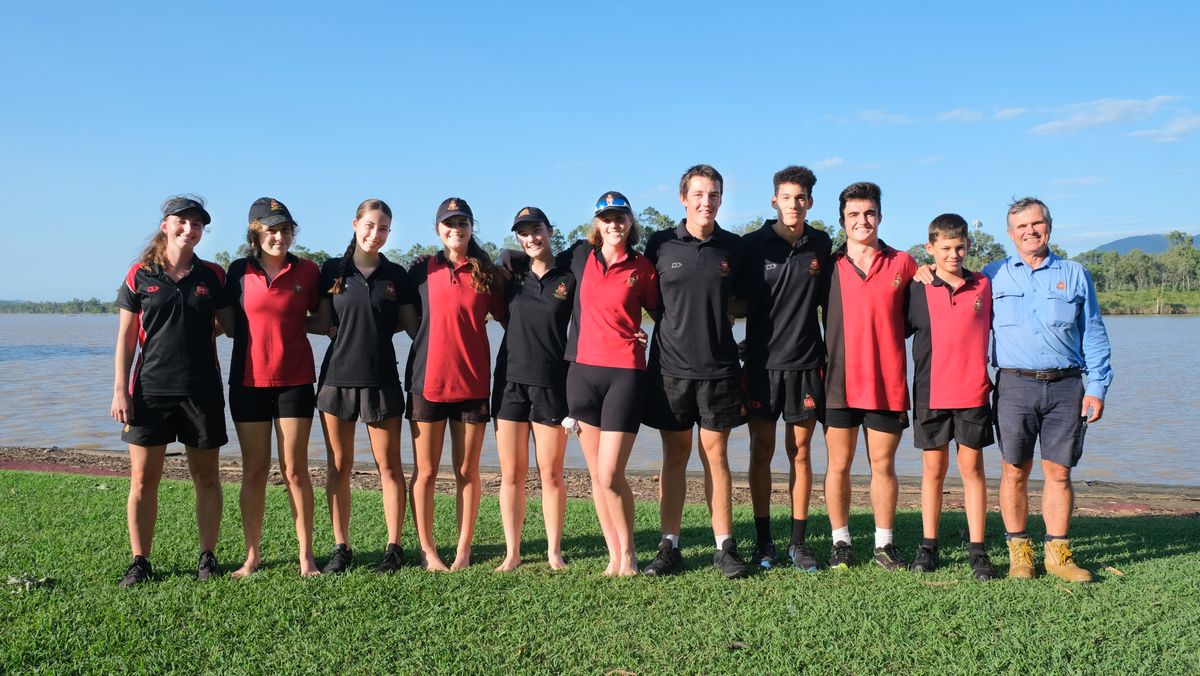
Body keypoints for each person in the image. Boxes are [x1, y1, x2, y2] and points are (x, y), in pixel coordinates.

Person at [984, 198, 1111, 582]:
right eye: (1021, 226)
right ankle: (1019, 553)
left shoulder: (1074, 274)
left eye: (1036, 224)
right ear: (1010, 234)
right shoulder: (993, 275)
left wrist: (1098, 387)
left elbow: (1094, 334)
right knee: (1014, 470)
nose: (1029, 231)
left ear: (1049, 227)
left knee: (1058, 472)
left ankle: (1059, 554)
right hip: (1013, 386)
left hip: (1066, 386)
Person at [111, 195, 227, 587]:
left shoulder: (213, 276)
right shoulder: (139, 275)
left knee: (207, 478)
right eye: (182, 222)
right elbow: (127, 339)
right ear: (166, 225)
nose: (189, 229)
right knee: (143, 480)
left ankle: (207, 557)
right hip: (149, 391)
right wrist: (119, 391)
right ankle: (140, 560)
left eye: (197, 225)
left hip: (202, 391)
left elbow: (231, 323)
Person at [642, 164, 752, 579]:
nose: (707, 202)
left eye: (715, 194)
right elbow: (646, 296)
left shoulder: (733, 248)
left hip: (720, 369)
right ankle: (669, 546)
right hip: (670, 369)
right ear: (684, 198)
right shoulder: (660, 244)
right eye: (700, 194)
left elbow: (744, 302)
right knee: (675, 456)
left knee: (716, 457)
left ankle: (724, 547)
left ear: (722, 199)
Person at [215, 197, 322, 578]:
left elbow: (323, 318)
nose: (279, 236)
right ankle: (251, 556)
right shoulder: (238, 271)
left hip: (295, 382)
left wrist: (293, 327)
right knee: (254, 471)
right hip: (248, 382)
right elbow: (228, 324)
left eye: (286, 229)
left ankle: (306, 556)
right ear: (255, 233)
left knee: (296, 470)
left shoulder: (308, 271)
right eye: (271, 230)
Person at [313, 198, 416, 574]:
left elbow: (414, 327)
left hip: (382, 379)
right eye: (370, 225)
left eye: (384, 228)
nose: (376, 234)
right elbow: (318, 320)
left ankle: (394, 547)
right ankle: (341, 547)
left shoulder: (397, 275)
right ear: (355, 224)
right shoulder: (330, 271)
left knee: (389, 465)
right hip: (336, 379)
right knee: (339, 465)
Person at [561, 191, 660, 576]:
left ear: (630, 222)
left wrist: (648, 336)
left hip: (626, 373)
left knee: (610, 474)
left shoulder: (643, 267)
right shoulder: (580, 257)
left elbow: (661, 313)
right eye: (607, 218)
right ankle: (613, 555)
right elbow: (531, 258)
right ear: (597, 224)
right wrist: (503, 259)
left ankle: (630, 553)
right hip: (582, 374)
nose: (614, 224)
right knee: (595, 477)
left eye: (620, 217)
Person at [739, 166, 831, 572]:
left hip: (806, 364)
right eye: (786, 196)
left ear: (809, 202)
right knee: (762, 451)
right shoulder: (751, 246)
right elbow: (726, 300)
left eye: (801, 197)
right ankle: (764, 543)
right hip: (760, 365)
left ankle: (798, 543)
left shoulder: (822, 245)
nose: (794, 204)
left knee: (802, 454)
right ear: (774, 200)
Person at [405, 197, 506, 571]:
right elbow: (403, 317)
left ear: (470, 228)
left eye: (462, 223)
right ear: (437, 229)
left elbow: (515, 318)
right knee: (426, 472)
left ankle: (464, 550)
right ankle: (428, 551)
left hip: (474, 384)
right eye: (448, 223)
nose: (456, 229)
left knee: (467, 471)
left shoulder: (488, 274)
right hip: (426, 383)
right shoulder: (420, 272)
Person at [822, 181, 916, 570]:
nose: (863, 221)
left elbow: (922, 319)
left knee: (883, 466)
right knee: (838, 466)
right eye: (854, 215)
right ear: (842, 220)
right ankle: (840, 542)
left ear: (880, 216)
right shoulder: (827, 266)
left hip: (886, 384)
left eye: (869, 213)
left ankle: (883, 545)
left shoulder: (904, 264)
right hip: (838, 382)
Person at [904, 214, 997, 581]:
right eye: (945, 248)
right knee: (933, 471)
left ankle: (978, 550)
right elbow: (893, 331)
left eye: (959, 247)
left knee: (972, 471)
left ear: (969, 246)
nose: (953, 254)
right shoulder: (918, 288)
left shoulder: (984, 285)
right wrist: (916, 273)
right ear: (931, 249)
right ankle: (929, 546)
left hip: (973, 392)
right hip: (930, 392)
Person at [492, 207, 573, 571]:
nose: (530, 238)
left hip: (552, 384)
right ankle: (513, 552)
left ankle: (554, 552)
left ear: (549, 230)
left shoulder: (569, 277)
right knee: (511, 473)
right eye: (523, 233)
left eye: (535, 229)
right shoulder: (510, 275)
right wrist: (500, 256)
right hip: (509, 382)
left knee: (551, 473)